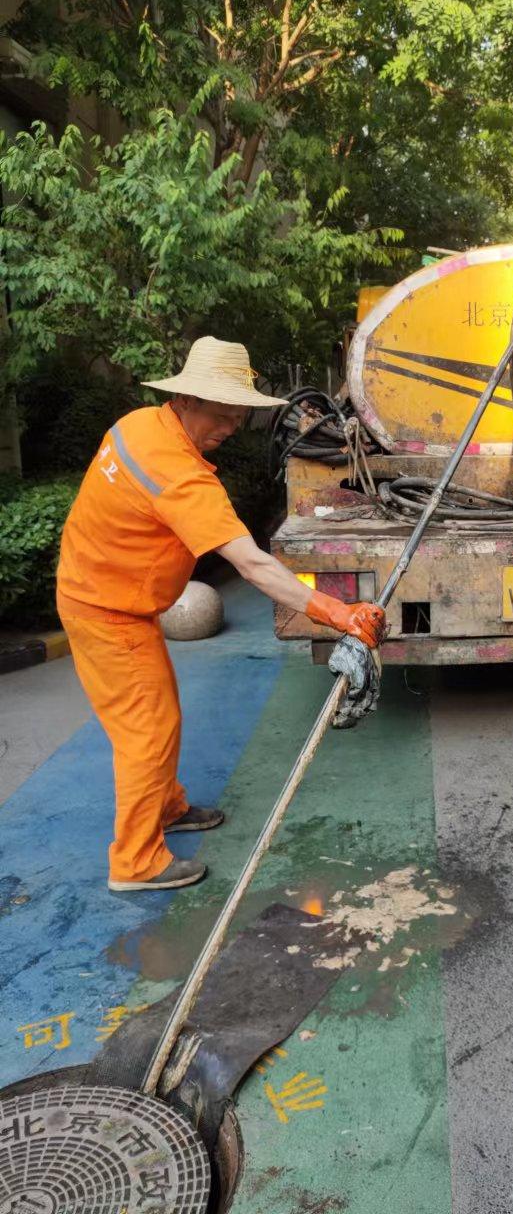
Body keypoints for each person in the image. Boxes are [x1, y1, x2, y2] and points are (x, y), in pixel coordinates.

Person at [56, 337, 386, 892]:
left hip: (100, 592)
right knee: (146, 730)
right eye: (223, 414)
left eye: (238, 416)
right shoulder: (180, 475)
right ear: (186, 400)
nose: (232, 427)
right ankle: (136, 863)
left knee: (159, 716)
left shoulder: (139, 425)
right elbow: (253, 566)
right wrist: (340, 613)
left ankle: (166, 806)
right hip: (107, 610)